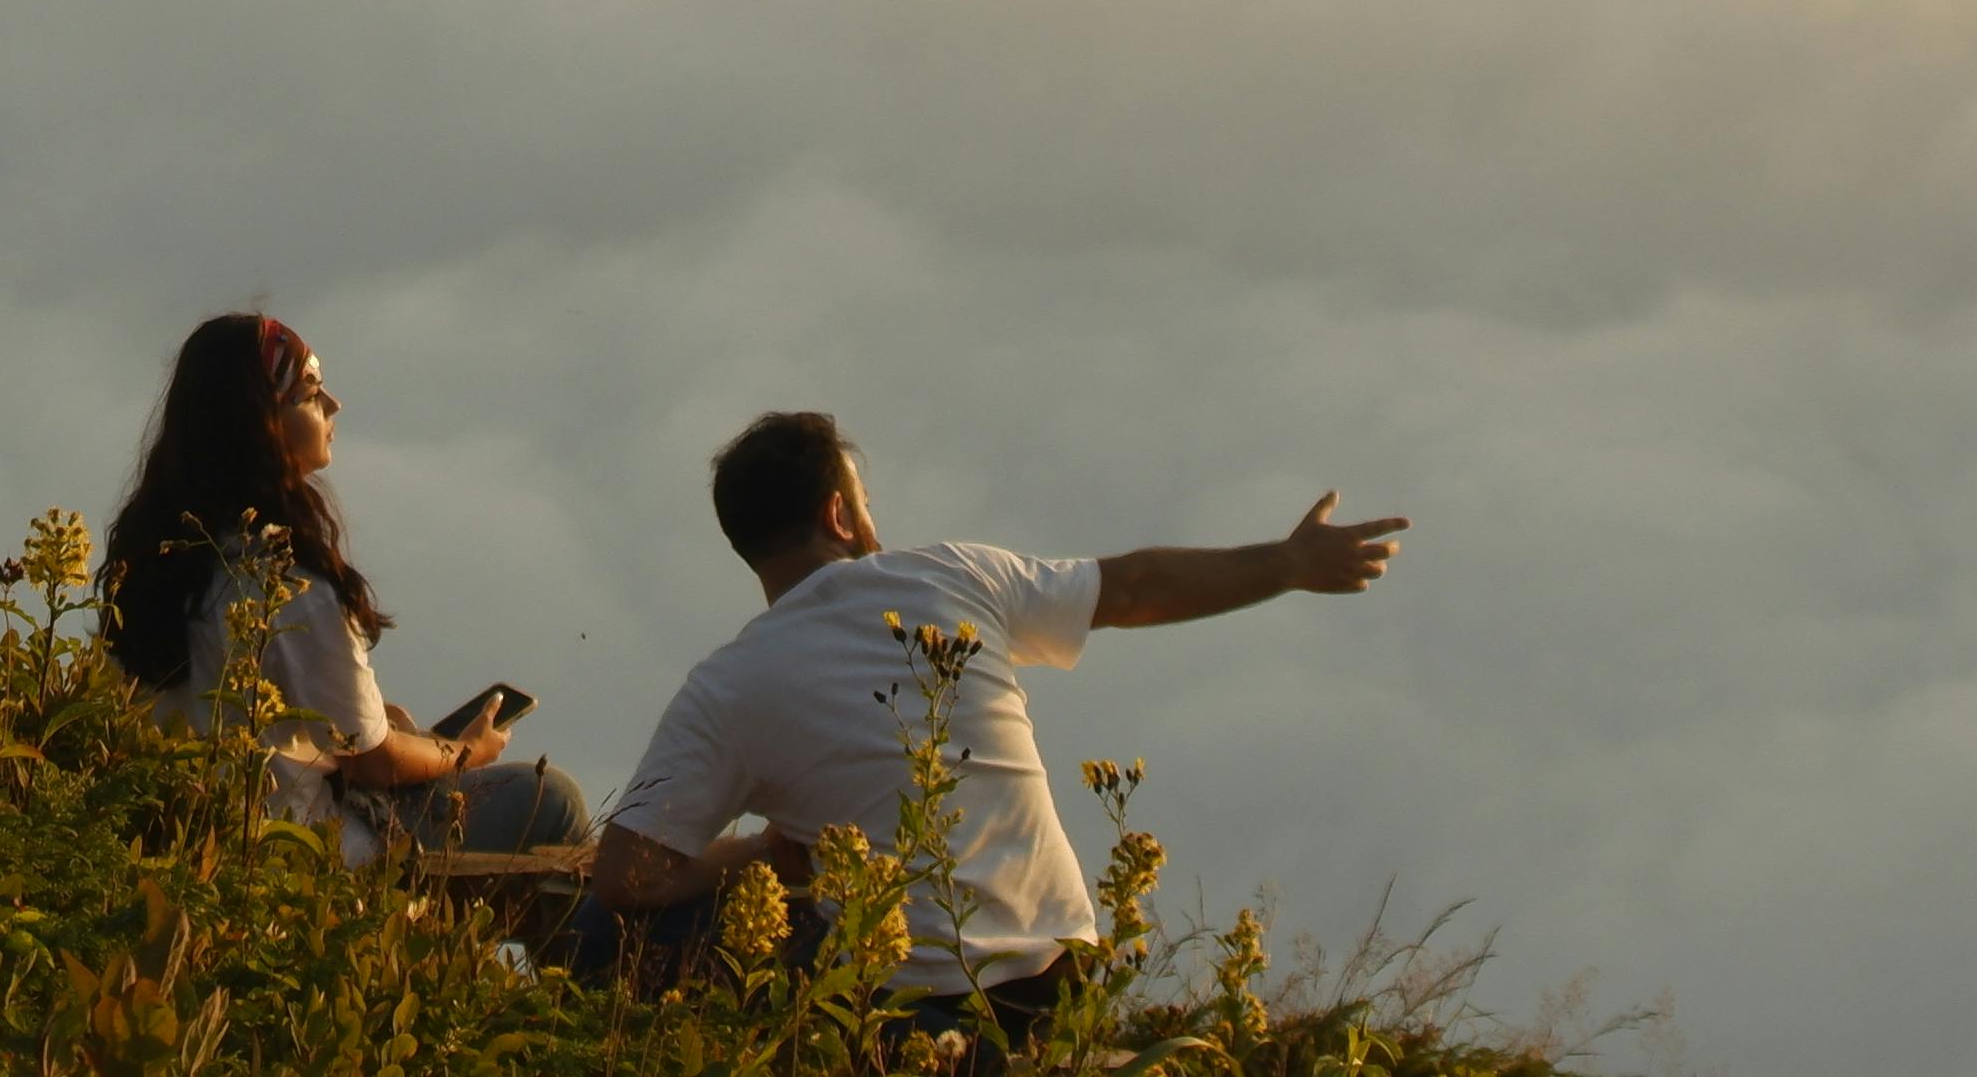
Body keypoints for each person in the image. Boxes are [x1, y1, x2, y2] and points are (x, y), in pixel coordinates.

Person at [582, 409, 1407, 1043]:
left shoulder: (725, 689)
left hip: (903, 1017)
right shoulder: (953, 575)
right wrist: (1291, 564)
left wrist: (759, 852)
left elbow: (627, 878)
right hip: (1061, 982)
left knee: (640, 931)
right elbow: (1132, 587)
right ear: (840, 515)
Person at [100, 310, 591, 864]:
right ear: (263, 421)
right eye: (310, 393)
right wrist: (463, 751)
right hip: (310, 850)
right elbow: (371, 761)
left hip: (186, 844)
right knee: (553, 800)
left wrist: (382, 721)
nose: (333, 405)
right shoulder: (282, 580)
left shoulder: (150, 563)